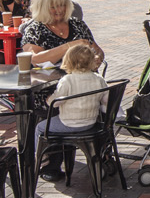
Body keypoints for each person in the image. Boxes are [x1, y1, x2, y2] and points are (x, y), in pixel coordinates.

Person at [35, 42, 108, 183]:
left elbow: (54, 103)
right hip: (91, 122)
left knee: (39, 128)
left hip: (68, 123)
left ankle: (41, 157)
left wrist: (49, 99)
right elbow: (106, 99)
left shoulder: (67, 80)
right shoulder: (98, 79)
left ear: (68, 61)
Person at [19, 0, 104, 69]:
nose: (59, 10)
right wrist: (70, 46)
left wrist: (98, 57)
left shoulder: (77, 24)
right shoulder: (34, 29)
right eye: (53, 7)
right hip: (51, 80)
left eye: (62, 5)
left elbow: (97, 50)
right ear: (42, 8)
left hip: (83, 78)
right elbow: (35, 60)